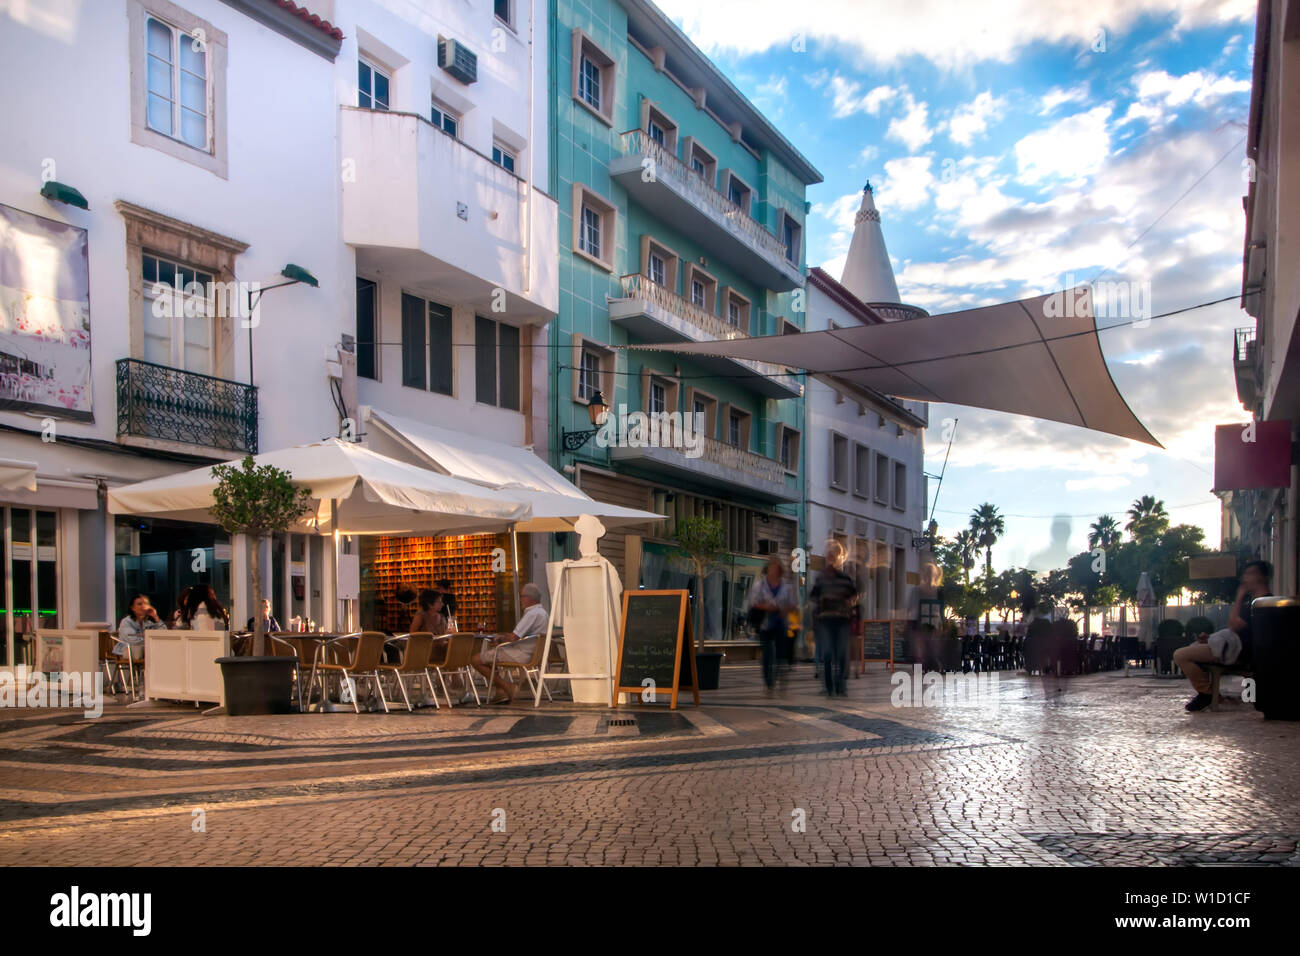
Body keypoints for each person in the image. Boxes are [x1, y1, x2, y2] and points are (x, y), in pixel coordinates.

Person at [1174, 560, 1271, 712]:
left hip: (1239, 653)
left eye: (1249, 574)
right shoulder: (1255, 603)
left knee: (1180, 655)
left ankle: (1207, 693)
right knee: (1193, 649)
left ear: (1260, 577)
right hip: (1234, 647)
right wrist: (1211, 638)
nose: (1244, 578)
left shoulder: (1261, 604)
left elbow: (1234, 625)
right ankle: (1209, 693)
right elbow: (1236, 630)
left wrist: (1239, 596)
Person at [471, 582, 550, 703]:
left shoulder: (532, 614)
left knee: (476, 660)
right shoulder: (543, 613)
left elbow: (514, 637)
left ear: (530, 598)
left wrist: (500, 638)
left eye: (522, 596)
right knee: (491, 657)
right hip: (533, 654)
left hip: (521, 654)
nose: (520, 599)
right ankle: (501, 691)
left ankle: (507, 687)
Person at [810, 540, 859, 697]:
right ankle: (829, 687)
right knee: (828, 654)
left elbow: (854, 596)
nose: (831, 558)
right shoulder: (821, 578)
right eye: (829, 554)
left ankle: (841, 685)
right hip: (825, 620)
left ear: (840, 558)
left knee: (842, 654)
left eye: (834, 555)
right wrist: (822, 600)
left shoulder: (845, 578)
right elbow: (813, 596)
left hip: (842, 620)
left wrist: (849, 602)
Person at [747, 556, 797, 693]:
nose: (773, 571)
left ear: (779, 570)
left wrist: (785, 609)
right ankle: (768, 682)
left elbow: (793, 604)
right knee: (767, 653)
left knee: (781, 654)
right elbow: (752, 602)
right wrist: (766, 607)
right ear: (767, 569)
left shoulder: (786, 586)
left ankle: (779, 676)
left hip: (781, 623)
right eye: (771, 568)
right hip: (765, 624)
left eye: (775, 568)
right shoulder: (760, 585)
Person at [116, 593, 164, 659]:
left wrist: (156, 617)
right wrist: (151, 641)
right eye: (139, 604)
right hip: (129, 651)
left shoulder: (148, 623)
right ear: (132, 608)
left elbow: (164, 634)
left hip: (146, 650)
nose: (143, 606)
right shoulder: (126, 622)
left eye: (145, 604)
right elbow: (133, 640)